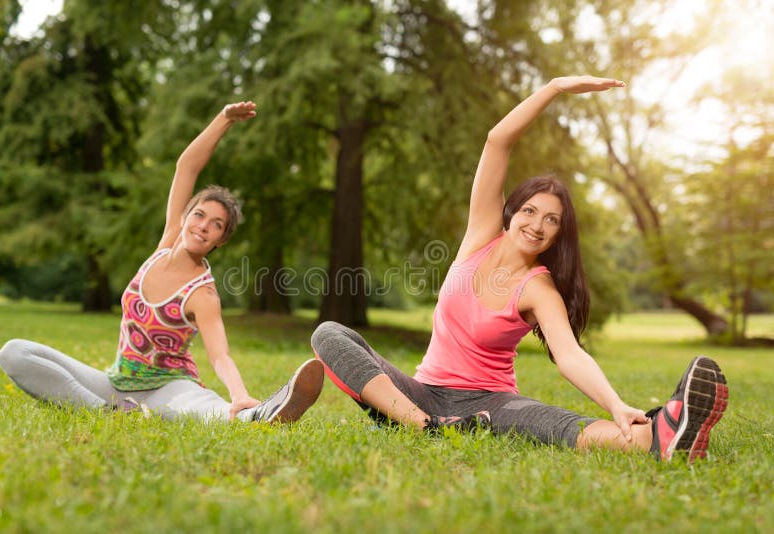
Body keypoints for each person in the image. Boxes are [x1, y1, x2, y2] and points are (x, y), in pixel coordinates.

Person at [310, 76, 728, 462]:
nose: (537, 225)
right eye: (530, 211)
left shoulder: (538, 288)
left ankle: (660, 432)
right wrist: (555, 87)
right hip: (421, 395)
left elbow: (569, 355)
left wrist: (616, 404)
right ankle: (426, 428)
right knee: (330, 334)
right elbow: (497, 142)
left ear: (559, 234)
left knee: (557, 425)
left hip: (490, 404)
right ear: (511, 213)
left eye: (552, 220)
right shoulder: (479, 238)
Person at [0, 100, 324, 424]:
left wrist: (239, 393)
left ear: (220, 240)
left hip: (170, 387)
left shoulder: (203, 294)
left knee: (207, 410)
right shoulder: (165, 244)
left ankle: (259, 414)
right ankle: (110, 414)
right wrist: (223, 118)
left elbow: (219, 354)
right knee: (14, 353)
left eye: (216, 224)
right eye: (199, 214)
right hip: (115, 384)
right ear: (184, 217)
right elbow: (187, 167)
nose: (203, 226)